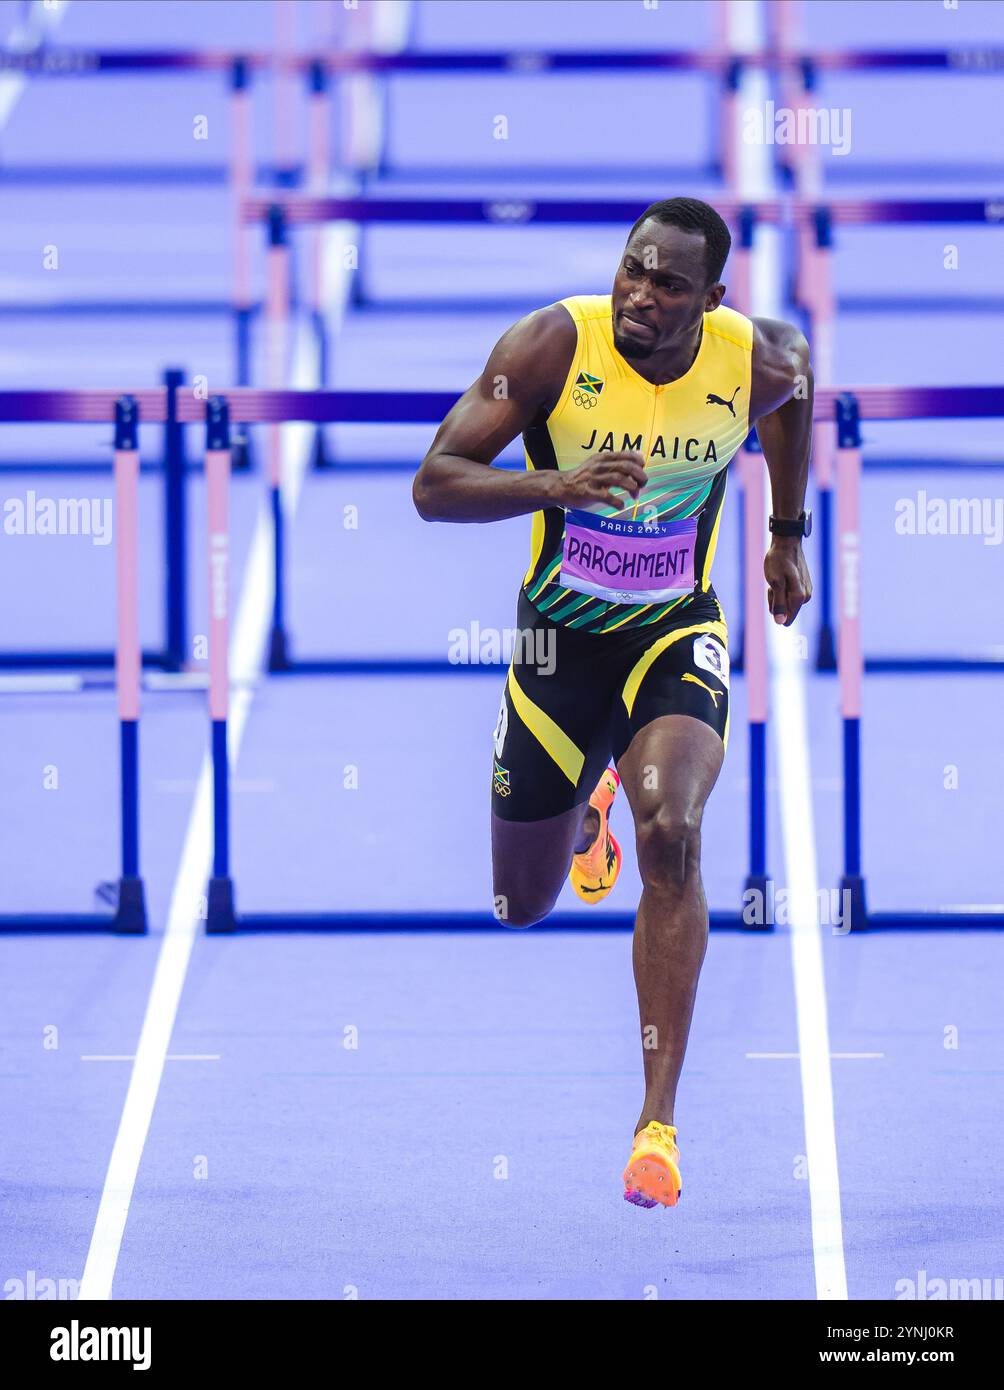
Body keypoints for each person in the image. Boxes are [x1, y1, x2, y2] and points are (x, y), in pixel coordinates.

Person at [413, 197, 813, 1208]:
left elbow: (796, 389)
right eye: (631, 269)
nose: (639, 293)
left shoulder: (751, 358)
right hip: (557, 648)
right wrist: (557, 488)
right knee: (520, 905)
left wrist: (785, 530)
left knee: (672, 833)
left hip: (673, 633)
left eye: (667, 283)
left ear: (709, 299)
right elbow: (433, 481)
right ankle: (583, 802)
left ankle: (656, 1123)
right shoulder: (553, 343)